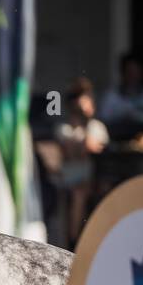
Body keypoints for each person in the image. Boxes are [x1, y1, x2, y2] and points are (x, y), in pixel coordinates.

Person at [54, 80, 109, 246]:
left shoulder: (97, 126)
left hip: (95, 179)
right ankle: (73, 242)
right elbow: (74, 150)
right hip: (69, 180)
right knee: (78, 193)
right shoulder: (63, 128)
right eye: (83, 100)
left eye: (89, 98)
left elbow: (98, 148)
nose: (87, 103)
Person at [98, 53, 143, 141]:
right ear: (123, 73)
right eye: (130, 72)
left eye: (136, 72)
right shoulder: (111, 96)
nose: (133, 76)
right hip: (115, 145)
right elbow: (102, 122)